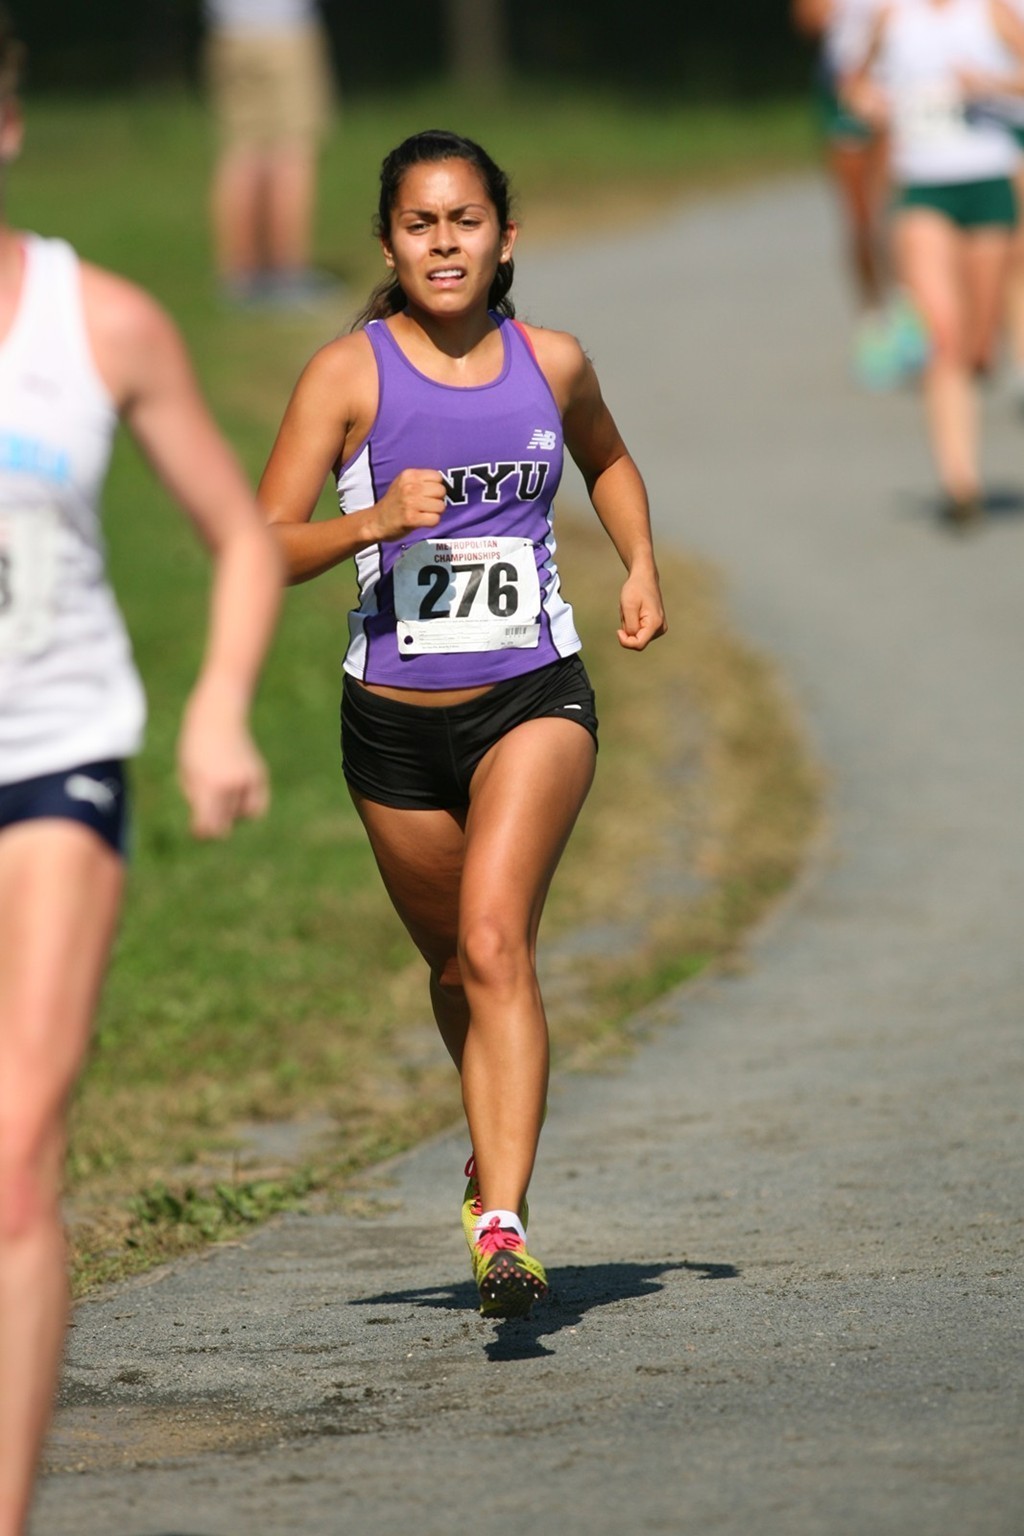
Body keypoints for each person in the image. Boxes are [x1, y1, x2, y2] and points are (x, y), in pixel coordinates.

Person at [259, 128, 667, 1318]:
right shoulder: (347, 376)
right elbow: (262, 546)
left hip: (533, 695)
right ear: (390, 243)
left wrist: (640, 562)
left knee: (495, 944)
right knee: (453, 967)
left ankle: (502, 1217)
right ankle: (492, 1155)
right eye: (420, 223)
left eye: (466, 221)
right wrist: (373, 521)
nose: (445, 243)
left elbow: (607, 459)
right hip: (390, 726)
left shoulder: (553, 362)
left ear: (505, 238)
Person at [0, 15, 282, 1536]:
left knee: (13, 1160)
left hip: (50, 761)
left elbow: (239, 537)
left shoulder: (97, 323)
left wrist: (218, 709)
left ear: (7, 127)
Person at [846, 0, 1024, 525]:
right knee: (942, 333)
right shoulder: (891, 15)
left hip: (988, 184)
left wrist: (989, 85)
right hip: (922, 188)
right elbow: (853, 84)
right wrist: (868, 101)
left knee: (978, 347)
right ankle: (959, 482)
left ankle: (981, 361)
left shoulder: (991, 11)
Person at [793, 0, 927, 386]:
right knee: (861, 220)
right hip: (846, 89)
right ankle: (873, 317)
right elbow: (808, 20)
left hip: (902, 85)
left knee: (899, 212)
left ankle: (909, 312)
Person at [203, 0, 339, 308]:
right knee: (293, 152)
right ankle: (287, 277)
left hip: (228, 30)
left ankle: (239, 279)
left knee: (242, 150)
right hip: (284, 29)